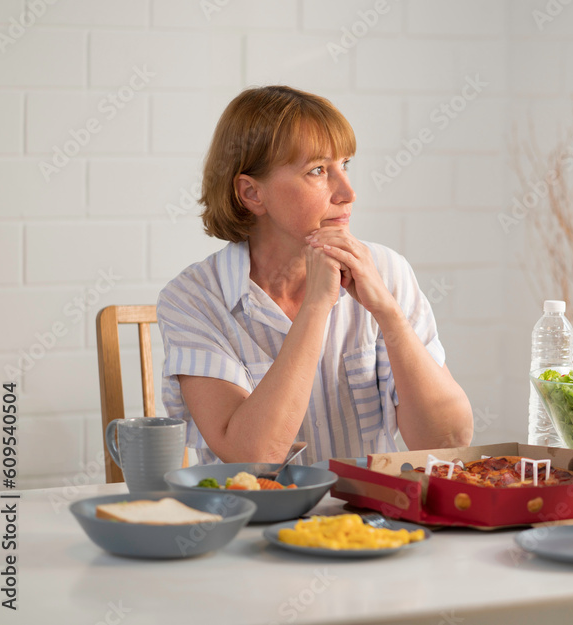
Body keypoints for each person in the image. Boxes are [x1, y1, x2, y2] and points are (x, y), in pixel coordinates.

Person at [157, 85, 473, 466]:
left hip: (370, 522)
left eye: (346, 165)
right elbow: (255, 456)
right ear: (252, 194)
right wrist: (316, 307)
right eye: (318, 170)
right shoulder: (193, 299)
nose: (348, 192)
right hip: (252, 521)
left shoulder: (386, 272)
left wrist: (388, 313)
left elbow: (449, 440)